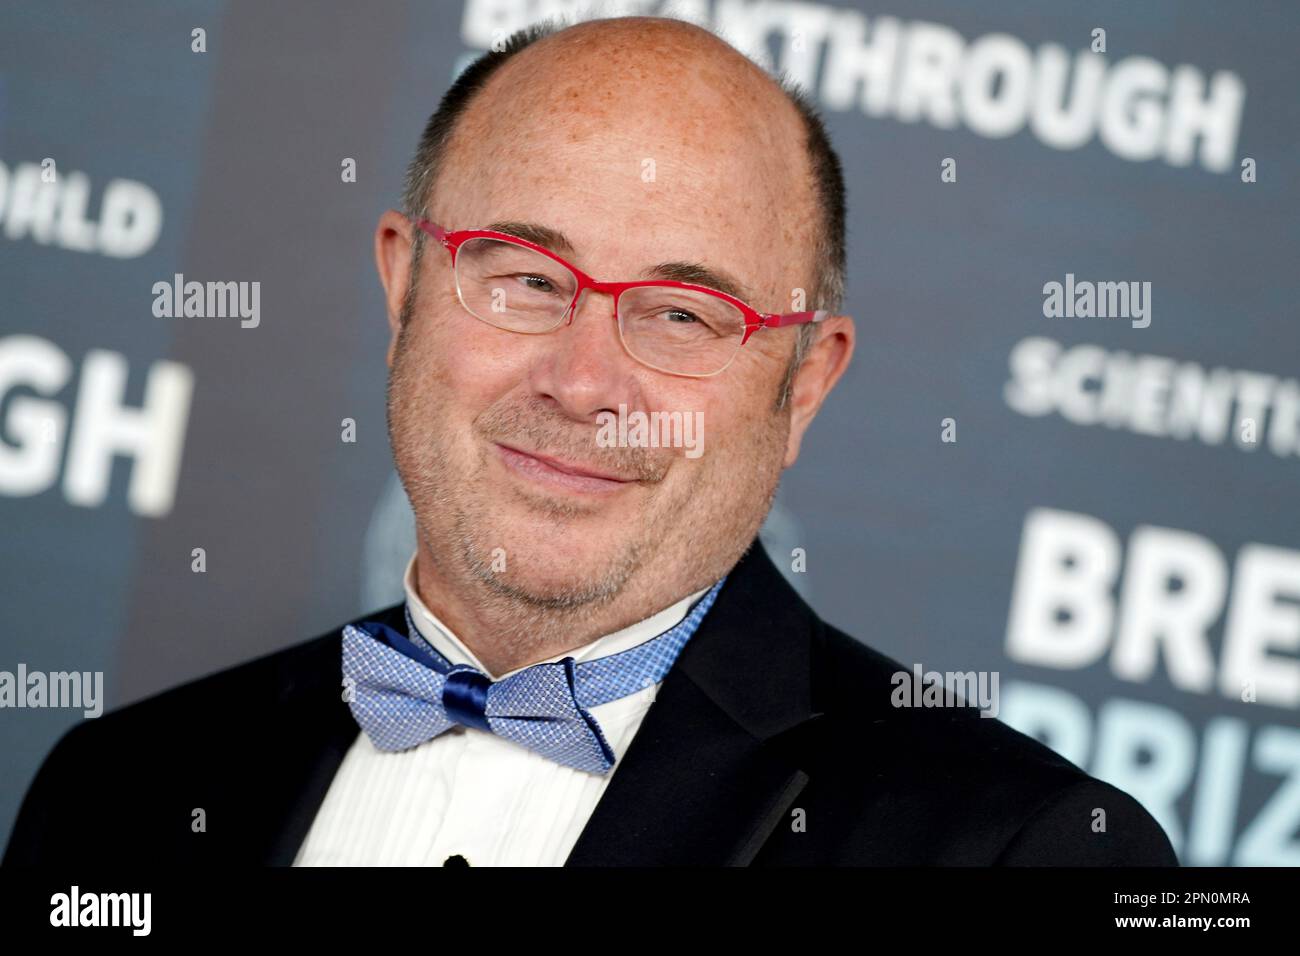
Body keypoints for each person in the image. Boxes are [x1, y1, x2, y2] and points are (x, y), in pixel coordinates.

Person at [4, 15, 1176, 867]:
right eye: (523, 277)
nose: (582, 382)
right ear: (404, 281)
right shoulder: (116, 793)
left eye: (682, 314)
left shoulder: (1014, 850)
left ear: (803, 384)